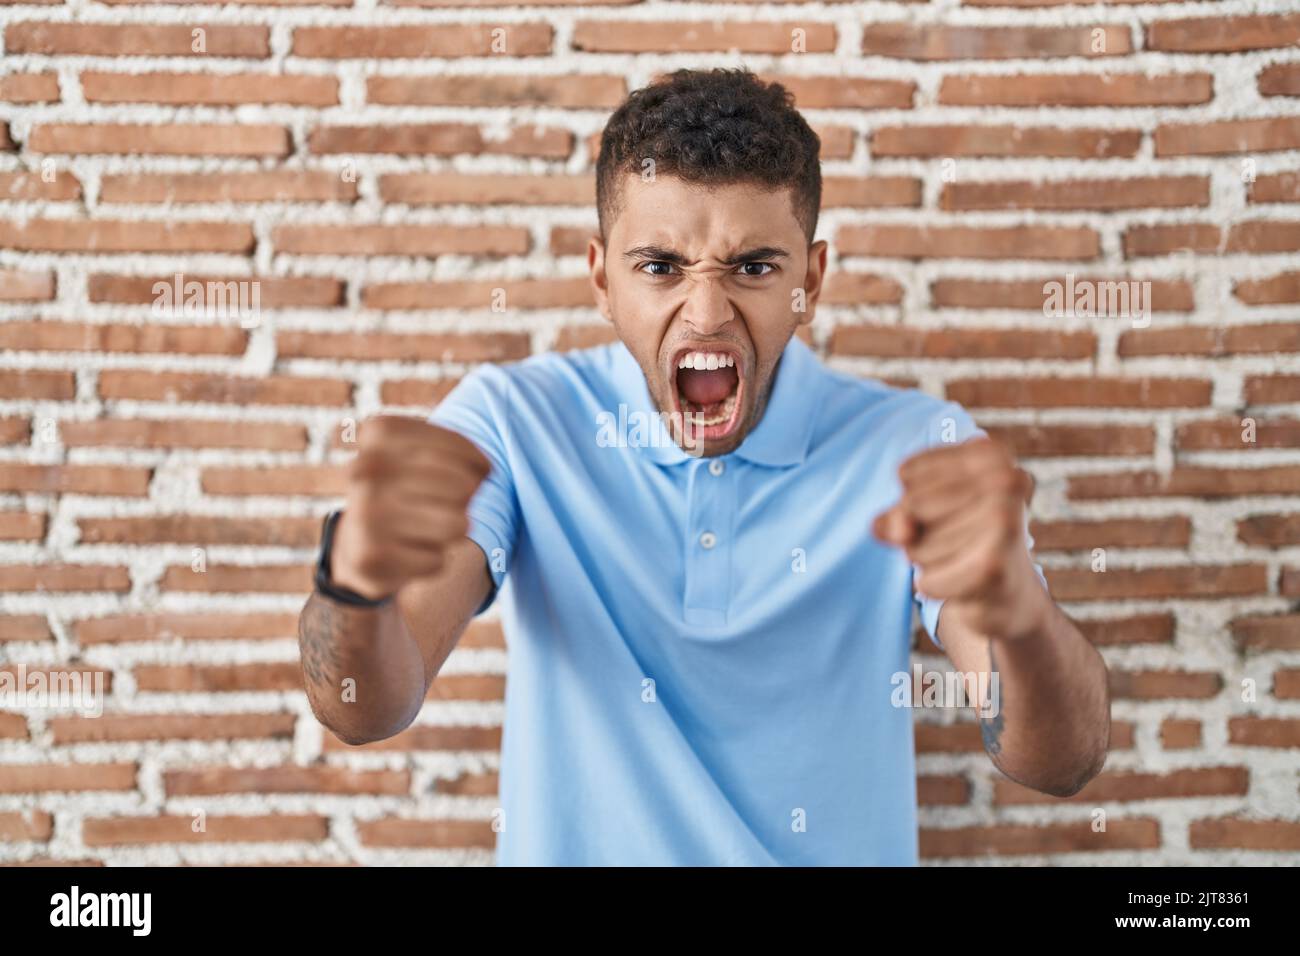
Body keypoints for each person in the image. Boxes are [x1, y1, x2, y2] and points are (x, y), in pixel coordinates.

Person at [297, 68, 1111, 866]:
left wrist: (1021, 618)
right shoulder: (511, 424)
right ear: (602, 280)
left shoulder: (921, 448)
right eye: (660, 267)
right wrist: (352, 584)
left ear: (812, 281)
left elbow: (1058, 762)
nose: (709, 312)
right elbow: (367, 711)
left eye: (754, 267)